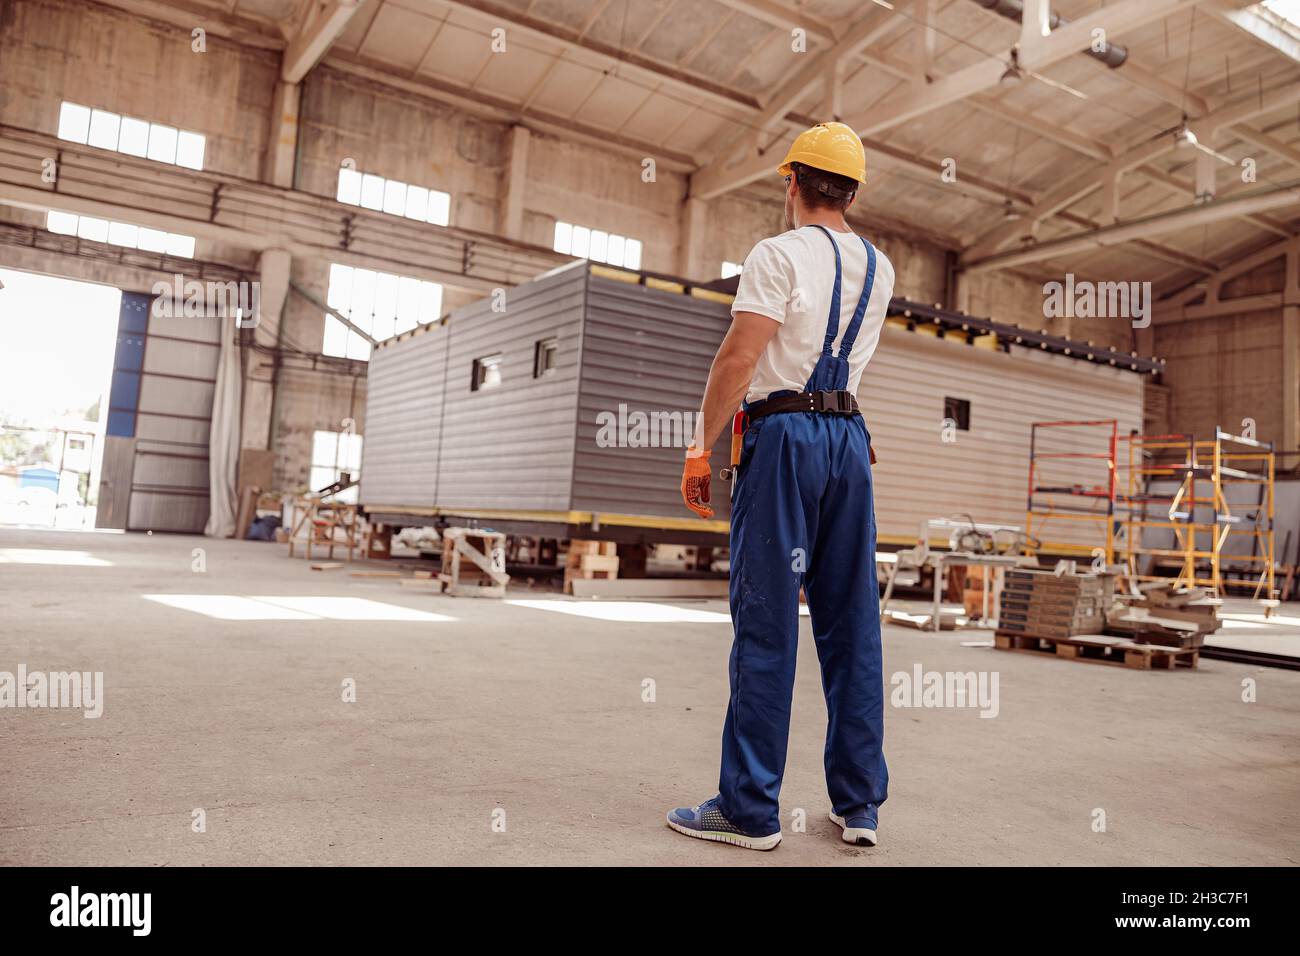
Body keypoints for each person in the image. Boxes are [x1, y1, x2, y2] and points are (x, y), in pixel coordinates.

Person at [667, 122, 894, 851]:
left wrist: (699, 446)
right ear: (851, 190)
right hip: (849, 441)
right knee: (852, 621)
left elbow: (740, 357)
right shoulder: (879, 267)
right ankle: (859, 806)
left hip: (786, 437)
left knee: (768, 622)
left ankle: (750, 810)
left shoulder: (776, 254)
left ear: (793, 182)